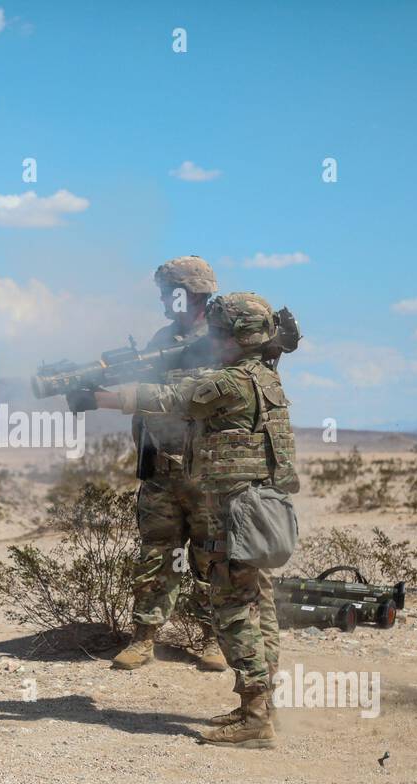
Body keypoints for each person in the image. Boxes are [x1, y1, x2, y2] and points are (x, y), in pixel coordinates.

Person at [72, 293, 298, 747]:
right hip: (261, 506)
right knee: (259, 605)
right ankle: (260, 706)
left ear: (237, 337)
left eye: (218, 334)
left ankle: (256, 720)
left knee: (234, 611)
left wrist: (96, 397)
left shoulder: (230, 382)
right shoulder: (266, 376)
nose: (210, 342)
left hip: (235, 512)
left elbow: (173, 398)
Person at [109, 256, 227, 672]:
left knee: (211, 556)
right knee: (156, 554)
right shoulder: (161, 339)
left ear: (187, 293)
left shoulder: (223, 340)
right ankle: (144, 638)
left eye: (166, 293)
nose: (162, 301)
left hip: (208, 471)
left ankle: (213, 640)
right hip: (161, 468)